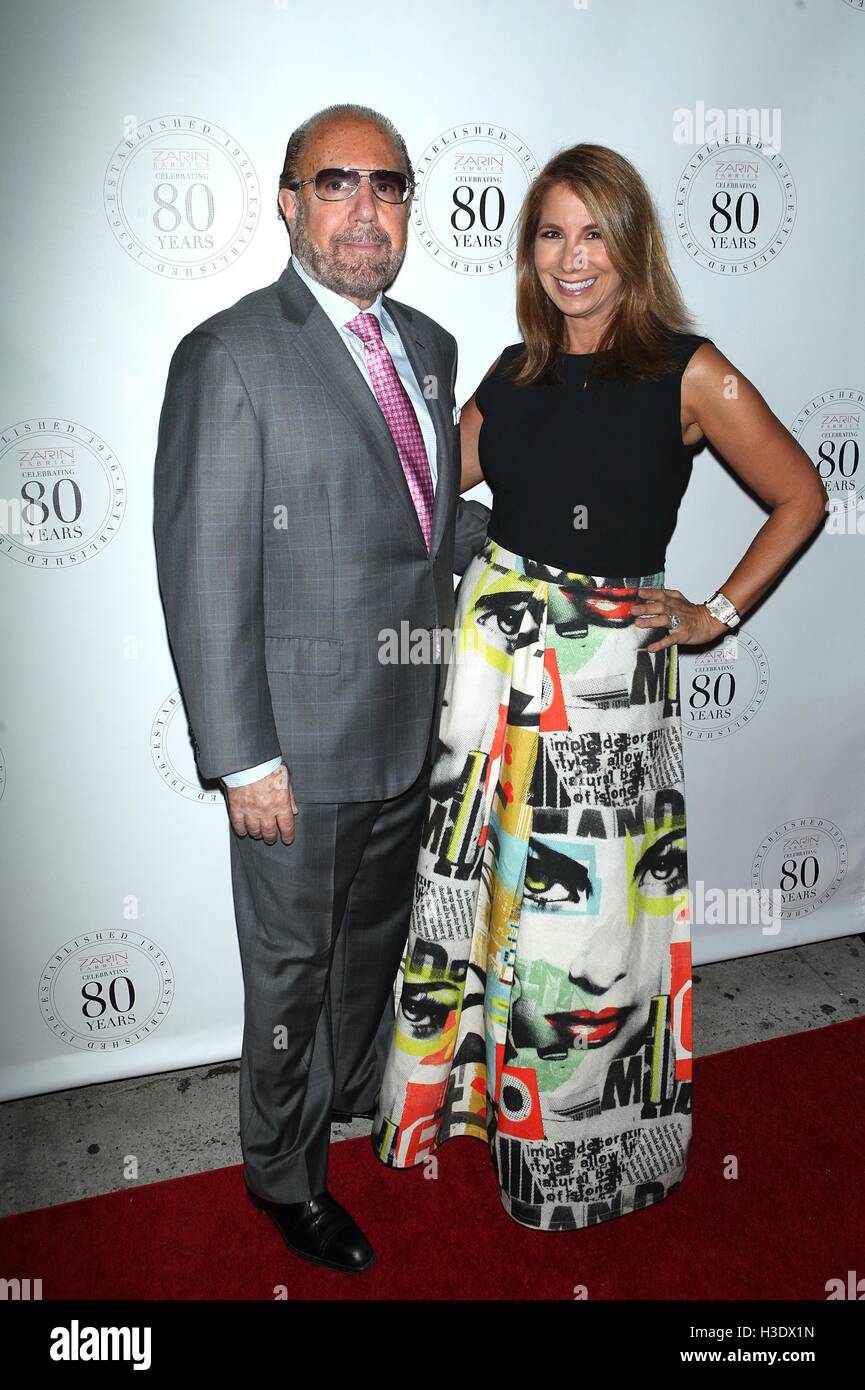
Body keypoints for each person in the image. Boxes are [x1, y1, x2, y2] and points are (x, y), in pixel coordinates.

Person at [372, 143, 827, 1231]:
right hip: (492, 676)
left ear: (630, 247)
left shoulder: (688, 369)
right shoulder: (514, 372)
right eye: (550, 233)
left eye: (593, 234)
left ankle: (582, 1152)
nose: (571, 258)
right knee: (475, 896)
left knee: (585, 936)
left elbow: (802, 495)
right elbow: (428, 481)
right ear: (529, 250)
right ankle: (469, 1109)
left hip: (605, 697)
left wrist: (715, 611)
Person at [153, 103, 491, 1273]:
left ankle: (352, 1099)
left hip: (409, 727)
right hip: (294, 749)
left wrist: (515, 530)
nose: (364, 208)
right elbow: (202, 570)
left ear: (407, 207)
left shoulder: (435, 350)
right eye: (334, 182)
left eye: (387, 185)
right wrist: (244, 759)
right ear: (289, 201)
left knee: (371, 947)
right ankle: (283, 1176)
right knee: (291, 969)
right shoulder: (231, 353)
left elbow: (422, 533)